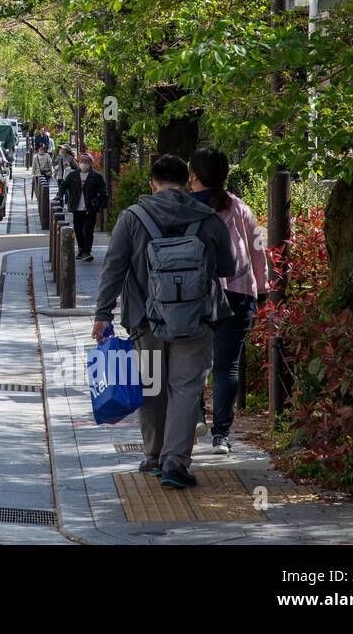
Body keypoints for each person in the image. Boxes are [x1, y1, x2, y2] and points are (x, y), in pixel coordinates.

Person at [92, 154, 236, 489]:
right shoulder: (208, 218)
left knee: (152, 387)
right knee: (185, 389)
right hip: (196, 321)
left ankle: (154, 456)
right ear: (187, 182)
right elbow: (228, 267)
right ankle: (176, 463)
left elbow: (113, 268)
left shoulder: (133, 218)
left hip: (145, 320)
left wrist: (102, 314)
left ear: (152, 183)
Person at [188, 147, 269, 454]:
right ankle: (221, 435)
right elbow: (257, 249)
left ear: (193, 176)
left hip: (194, 295)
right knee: (226, 367)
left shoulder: (184, 208)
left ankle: (195, 415)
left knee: (193, 362)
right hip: (237, 292)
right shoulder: (239, 207)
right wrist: (262, 290)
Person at [58, 151, 108, 261]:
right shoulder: (73, 175)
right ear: (78, 162)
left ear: (91, 163)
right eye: (81, 161)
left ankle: (86, 252)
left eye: (86, 161)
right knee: (78, 230)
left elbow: (103, 192)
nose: (83, 163)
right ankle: (81, 249)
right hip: (76, 208)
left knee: (88, 230)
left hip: (90, 208)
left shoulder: (96, 176)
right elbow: (63, 186)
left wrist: (99, 204)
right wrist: (59, 196)